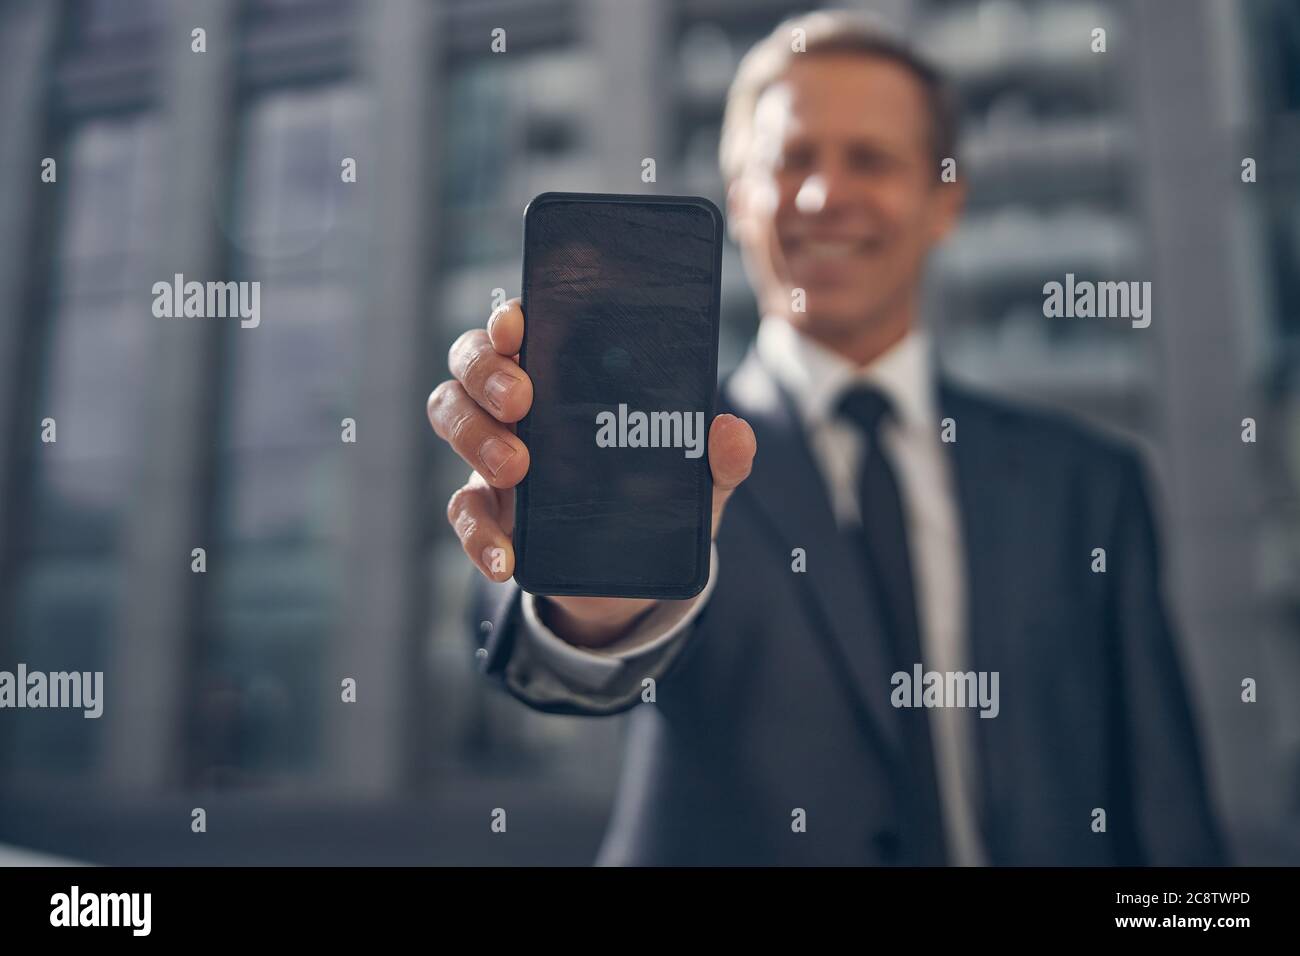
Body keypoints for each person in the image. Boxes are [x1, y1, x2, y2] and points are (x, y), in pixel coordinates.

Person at [426, 10, 1225, 865]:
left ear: (945, 198)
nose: (820, 196)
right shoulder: (657, 455)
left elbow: (1167, 815)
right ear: (739, 200)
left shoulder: (1089, 486)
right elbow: (550, 660)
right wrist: (587, 602)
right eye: (791, 160)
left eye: (870, 160)